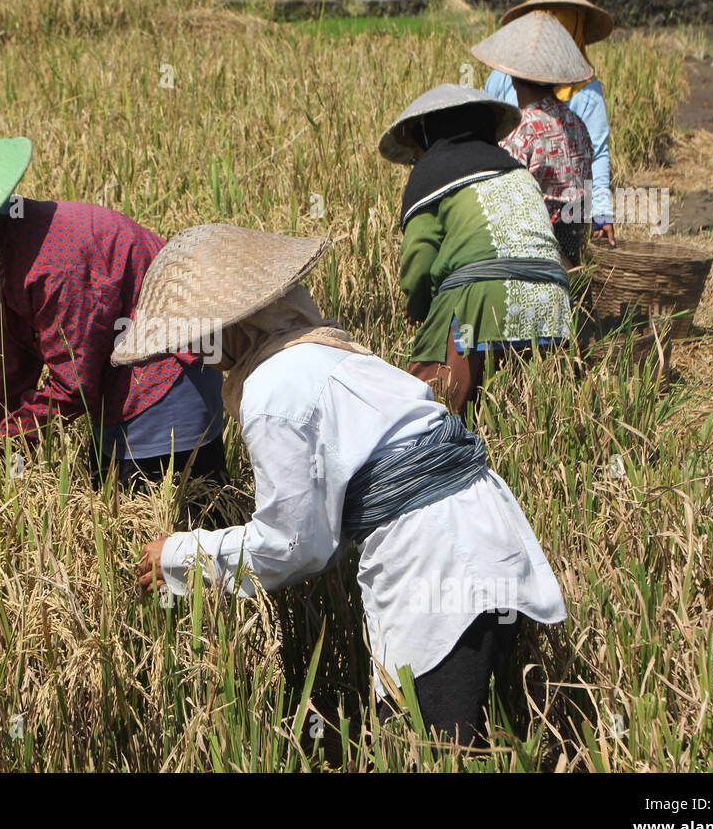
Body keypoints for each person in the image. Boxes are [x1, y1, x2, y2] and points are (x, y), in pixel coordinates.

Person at [115, 223, 567, 748]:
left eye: (195, 335)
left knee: (428, 747)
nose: (194, 352)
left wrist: (183, 554)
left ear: (233, 324)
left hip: (437, 560)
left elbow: (295, 546)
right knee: (455, 741)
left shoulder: (271, 389)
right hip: (483, 533)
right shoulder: (329, 351)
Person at [0, 137, 226, 487]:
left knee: (168, 515)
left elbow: (75, 385)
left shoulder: (56, 264)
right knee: (106, 495)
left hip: (163, 378)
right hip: (114, 383)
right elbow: (12, 359)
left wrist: (8, 439)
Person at [378, 85, 573, 417]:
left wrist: (420, 311)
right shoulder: (515, 169)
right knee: (523, 415)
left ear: (428, 134)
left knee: (427, 412)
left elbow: (418, 264)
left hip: (481, 302)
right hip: (553, 306)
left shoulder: (430, 174)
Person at [483, 0, 618, 249]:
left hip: (528, 234)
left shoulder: (584, 94)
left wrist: (602, 212)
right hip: (562, 229)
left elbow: (599, 154)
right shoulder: (500, 79)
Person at [471, 11, 595, 266]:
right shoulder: (577, 124)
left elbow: (502, 201)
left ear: (514, 79)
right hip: (573, 250)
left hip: (537, 256)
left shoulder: (521, 129)